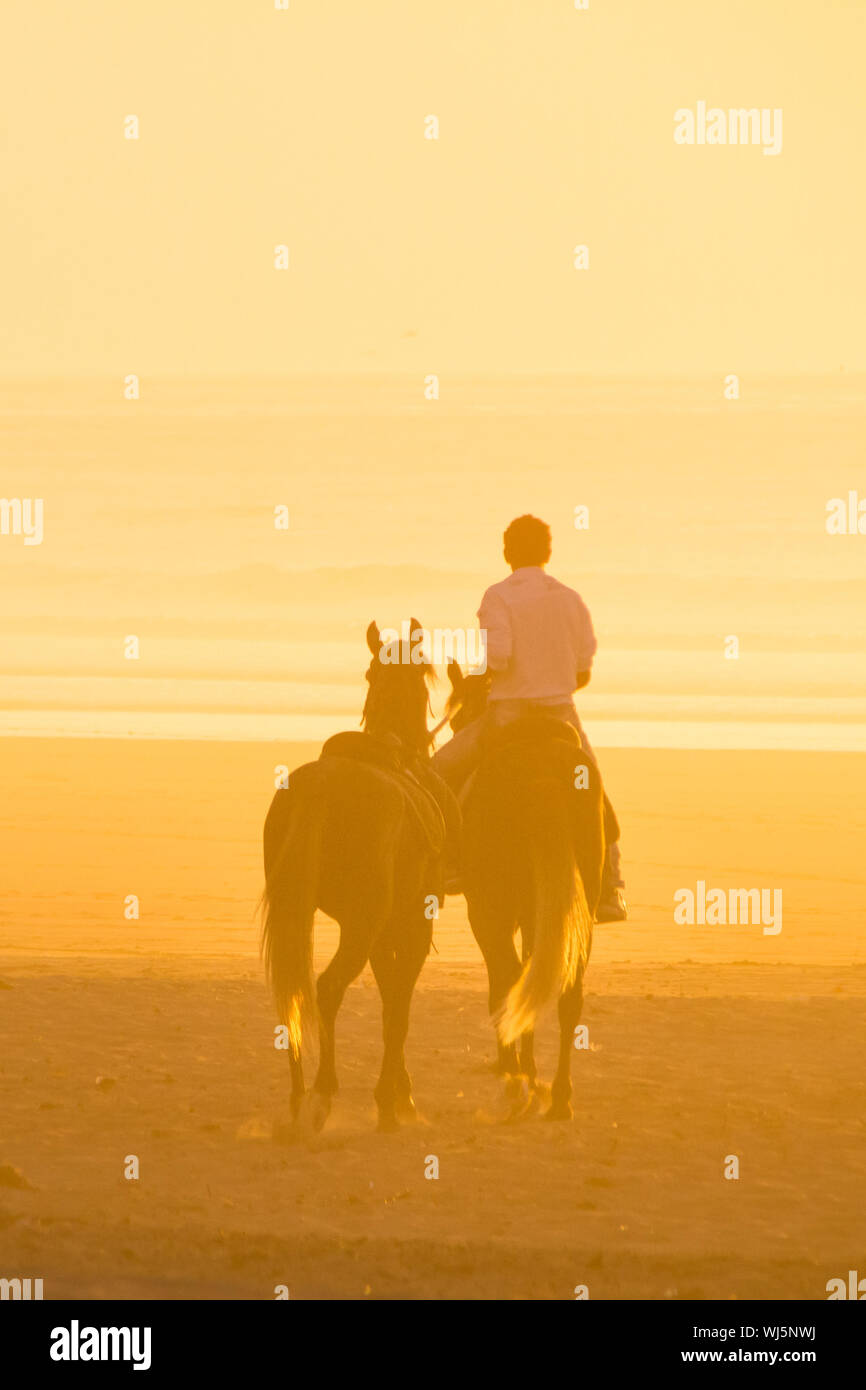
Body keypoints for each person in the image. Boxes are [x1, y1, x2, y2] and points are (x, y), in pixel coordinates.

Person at [432, 514, 627, 923]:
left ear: (506, 553)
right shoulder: (571, 599)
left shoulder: (498, 597)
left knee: (437, 773)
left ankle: (447, 866)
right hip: (562, 716)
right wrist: (550, 685)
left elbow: (498, 655)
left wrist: (480, 677)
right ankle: (610, 888)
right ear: (548, 552)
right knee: (596, 791)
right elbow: (583, 671)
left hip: (506, 714)